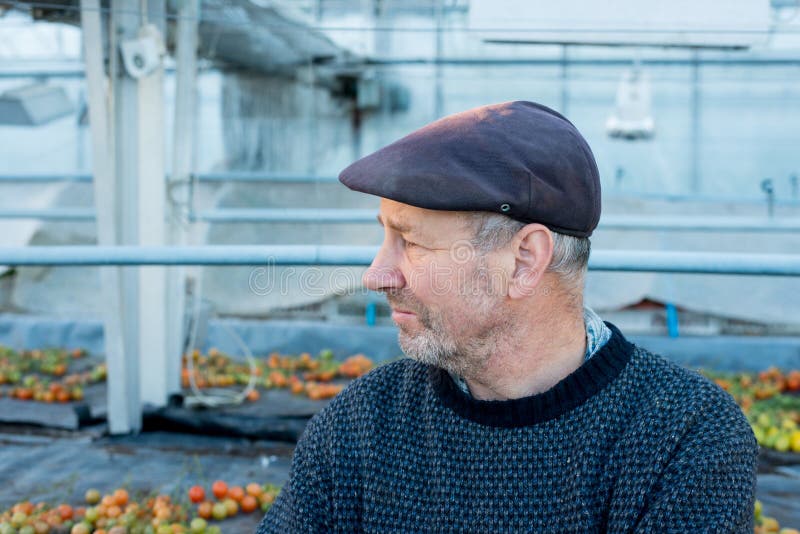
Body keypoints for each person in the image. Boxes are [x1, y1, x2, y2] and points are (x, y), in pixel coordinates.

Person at [257, 101, 758, 532]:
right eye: (385, 237)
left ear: (523, 262)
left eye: (410, 242)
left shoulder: (683, 440)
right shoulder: (365, 422)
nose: (377, 275)